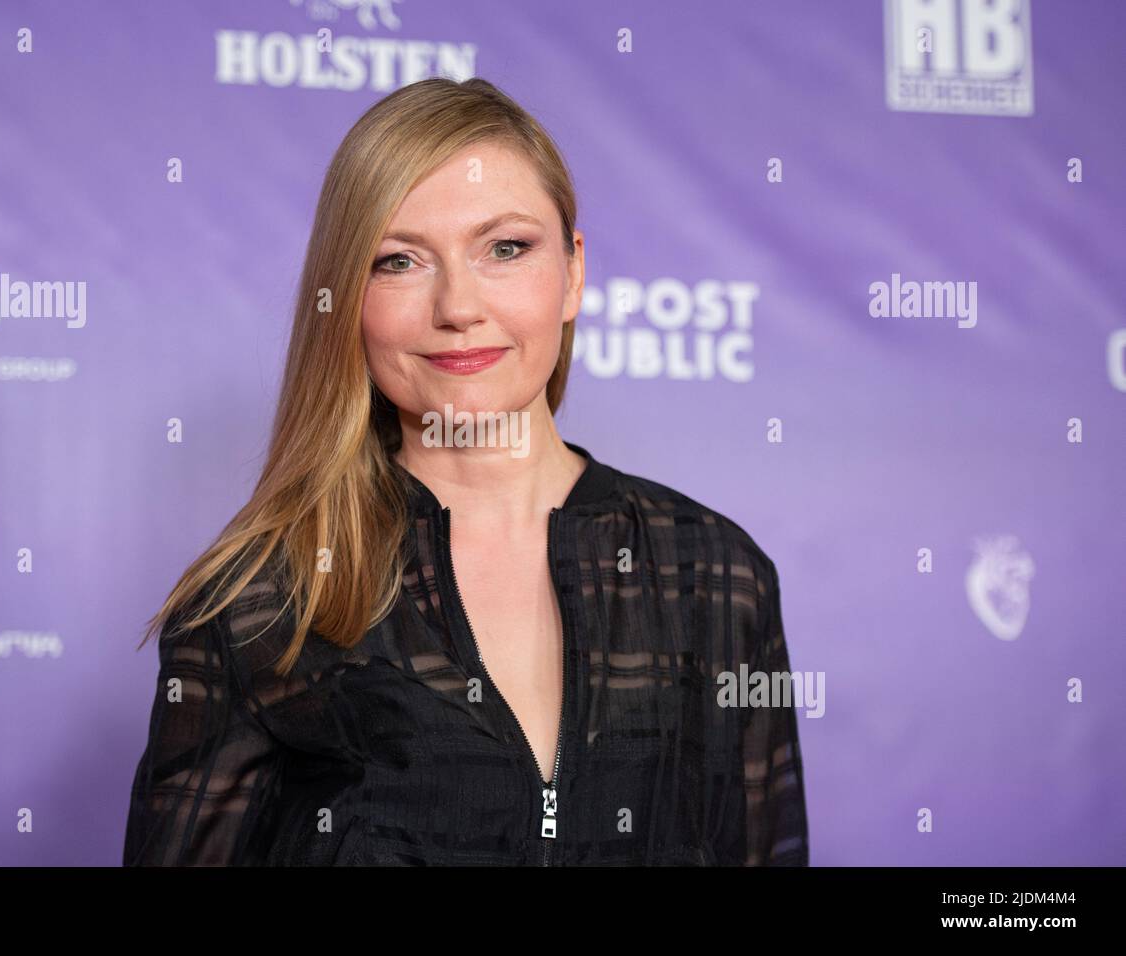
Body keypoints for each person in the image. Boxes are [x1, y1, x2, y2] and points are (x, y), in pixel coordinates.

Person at [122, 76, 808, 866]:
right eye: (400, 260)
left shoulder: (717, 575)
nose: (457, 306)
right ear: (345, 300)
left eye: (505, 248)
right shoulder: (259, 599)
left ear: (572, 274)